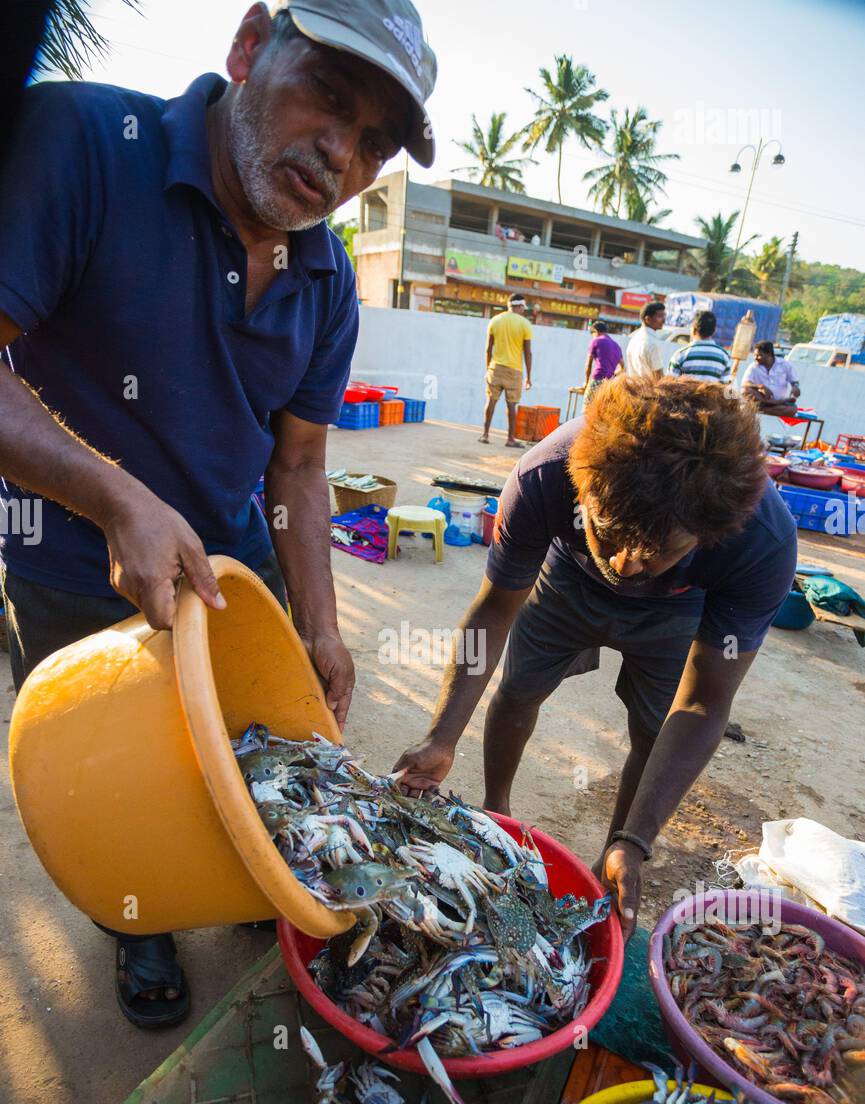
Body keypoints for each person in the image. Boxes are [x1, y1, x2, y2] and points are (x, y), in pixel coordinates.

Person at [0, 0, 437, 1027]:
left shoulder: (327, 279)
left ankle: (233, 872)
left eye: (373, 141)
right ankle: (139, 923)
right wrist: (116, 499)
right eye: (327, 96)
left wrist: (321, 622)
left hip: (232, 566)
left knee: (244, 754)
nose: (338, 152)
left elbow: (298, 464)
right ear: (248, 45)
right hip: (67, 554)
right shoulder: (83, 143)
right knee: (113, 775)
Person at [395, 376, 797, 940]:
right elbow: (493, 612)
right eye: (610, 536)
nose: (627, 567)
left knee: (655, 731)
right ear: (582, 494)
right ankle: (498, 810)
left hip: (680, 611)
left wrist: (637, 840)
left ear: (706, 536)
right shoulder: (543, 477)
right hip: (567, 581)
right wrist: (442, 737)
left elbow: (705, 701)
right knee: (519, 690)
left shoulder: (763, 543)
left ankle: (615, 850)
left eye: (660, 552)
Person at [479, 293, 533, 447]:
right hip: (514, 371)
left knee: (491, 401)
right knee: (511, 405)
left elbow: (488, 348)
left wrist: (488, 368)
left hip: (495, 368)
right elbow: (527, 352)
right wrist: (529, 377)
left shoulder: (495, 320)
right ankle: (510, 439)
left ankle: (485, 434)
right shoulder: (524, 324)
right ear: (520, 306)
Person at [668, 311, 732, 383]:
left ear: (694, 329)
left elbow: (670, 386)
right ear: (714, 330)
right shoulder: (724, 356)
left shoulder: (680, 355)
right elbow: (726, 386)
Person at [741, 340, 801, 416]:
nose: (755, 358)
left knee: (792, 410)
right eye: (755, 355)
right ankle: (771, 405)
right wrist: (760, 386)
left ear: (769, 354)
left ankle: (763, 409)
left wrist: (795, 387)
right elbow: (745, 384)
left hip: (776, 405)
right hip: (760, 401)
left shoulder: (785, 365)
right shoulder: (753, 366)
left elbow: (794, 382)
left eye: (759, 355)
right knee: (746, 390)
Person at [576, 320, 623, 405]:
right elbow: (623, 368)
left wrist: (586, 383)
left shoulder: (596, 341)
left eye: (592, 334)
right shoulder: (616, 346)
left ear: (596, 331)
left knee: (587, 409)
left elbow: (588, 365)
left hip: (597, 379)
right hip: (609, 384)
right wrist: (613, 374)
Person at [625, 300, 666, 378]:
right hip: (649, 389)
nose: (663, 320)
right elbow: (659, 377)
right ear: (648, 319)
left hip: (633, 387)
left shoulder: (633, 340)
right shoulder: (652, 343)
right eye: (660, 316)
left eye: (664, 316)